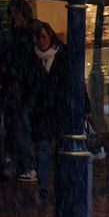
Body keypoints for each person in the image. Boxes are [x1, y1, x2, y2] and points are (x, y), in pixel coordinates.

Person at [29, 21, 68, 203]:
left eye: (44, 37)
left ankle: (60, 184)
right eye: (38, 38)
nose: (41, 41)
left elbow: (74, 82)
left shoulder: (62, 55)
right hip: (42, 111)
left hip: (58, 109)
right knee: (43, 149)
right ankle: (43, 187)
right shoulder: (33, 58)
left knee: (59, 149)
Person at [1, 0, 38, 183]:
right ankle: (20, 164)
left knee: (21, 124)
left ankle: (27, 164)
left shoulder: (26, 34)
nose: (14, 17)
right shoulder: (19, 34)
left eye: (16, 13)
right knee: (17, 124)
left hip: (22, 86)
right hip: (17, 86)